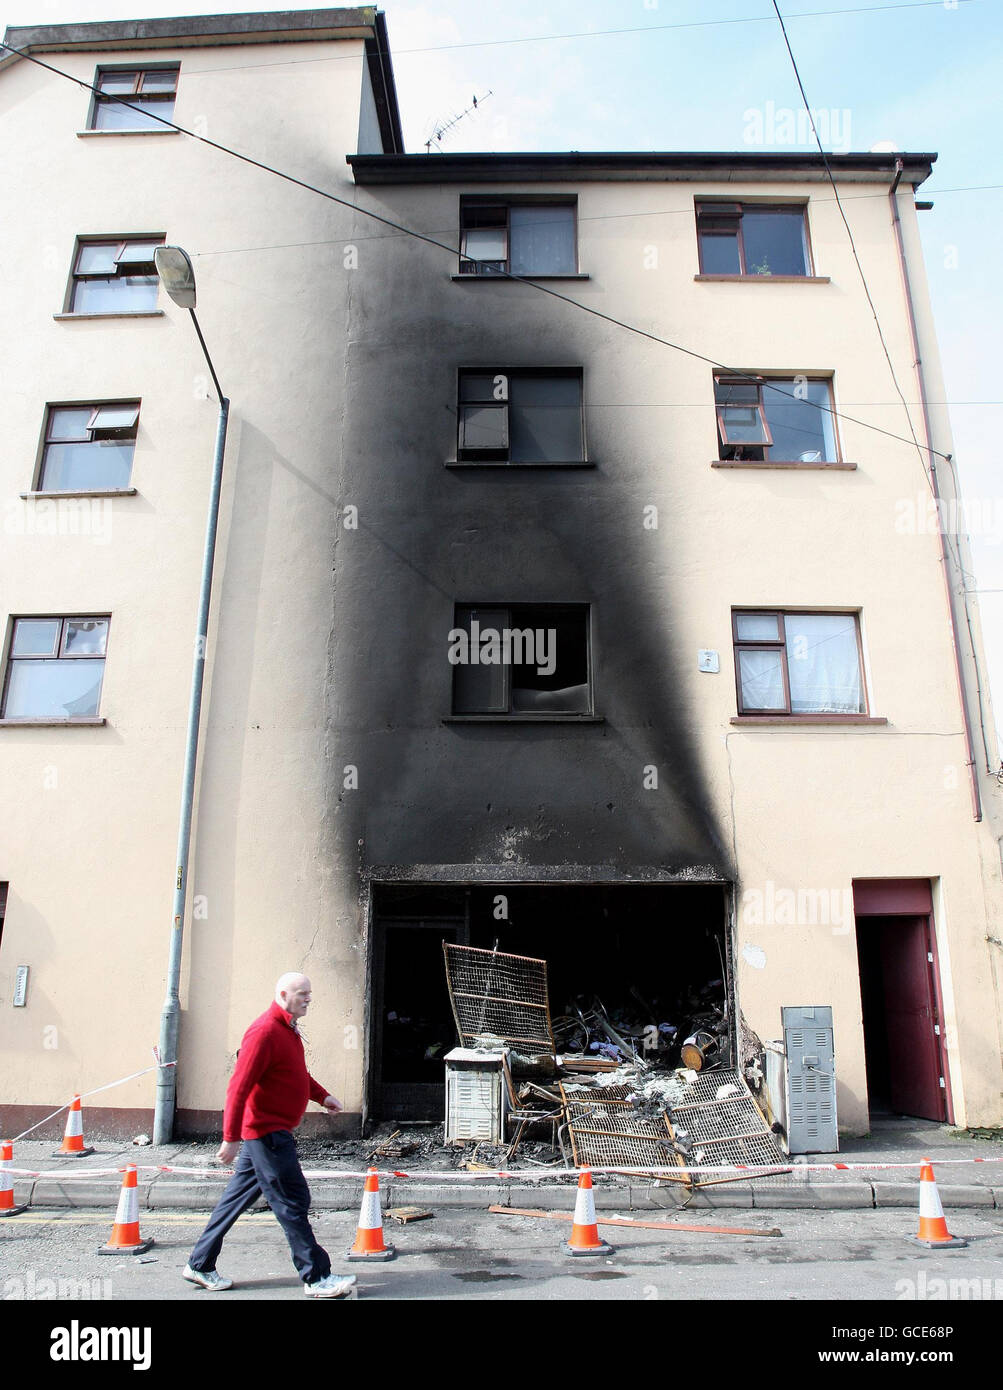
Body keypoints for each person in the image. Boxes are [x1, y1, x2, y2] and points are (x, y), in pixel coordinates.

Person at [182, 972, 356, 1298]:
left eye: (309, 992)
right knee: (292, 1201)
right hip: (266, 1134)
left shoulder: (287, 1030)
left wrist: (322, 1096)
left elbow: (296, 1074)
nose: (308, 998)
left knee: (234, 1202)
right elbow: (238, 1087)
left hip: (265, 1135)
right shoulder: (264, 1032)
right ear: (282, 994)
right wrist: (230, 1137)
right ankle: (316, 1278)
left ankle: (199, 1264)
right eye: (302, 993)